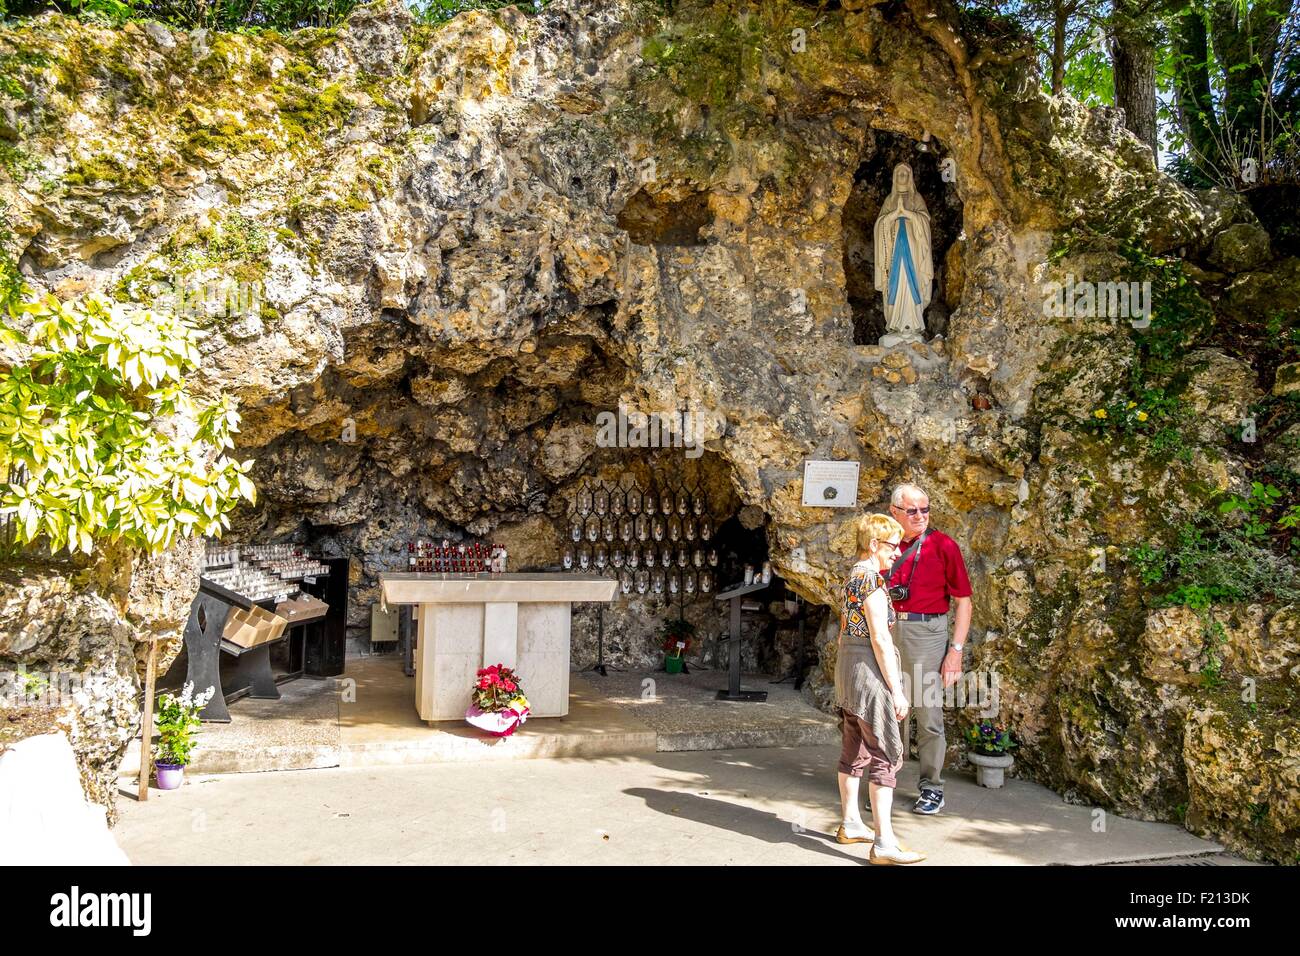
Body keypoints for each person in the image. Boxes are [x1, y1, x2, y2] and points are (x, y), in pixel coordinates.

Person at [834, 512, 926, 864]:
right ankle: (884, 843)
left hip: (848, 670)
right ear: (873, 545)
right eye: (891, 546)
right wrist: (898, 691)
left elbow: (846, 631)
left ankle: (851, 824)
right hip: (869, 674)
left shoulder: (851, 577)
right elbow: (881, 639)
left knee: (853, 748)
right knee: (886, 753)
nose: (896, 553)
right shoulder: (871, 580)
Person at [886, 483, 972, 815]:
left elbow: (963, 601)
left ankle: (932, 787)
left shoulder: (943, 545)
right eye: (912, 510)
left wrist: (956, 651)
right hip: (890, 627)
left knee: (928, 712)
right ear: (895, 512)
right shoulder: (886, 544)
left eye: (925, 509)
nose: (920, 516)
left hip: (928, 630)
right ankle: (885, 781)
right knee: (889, 709)